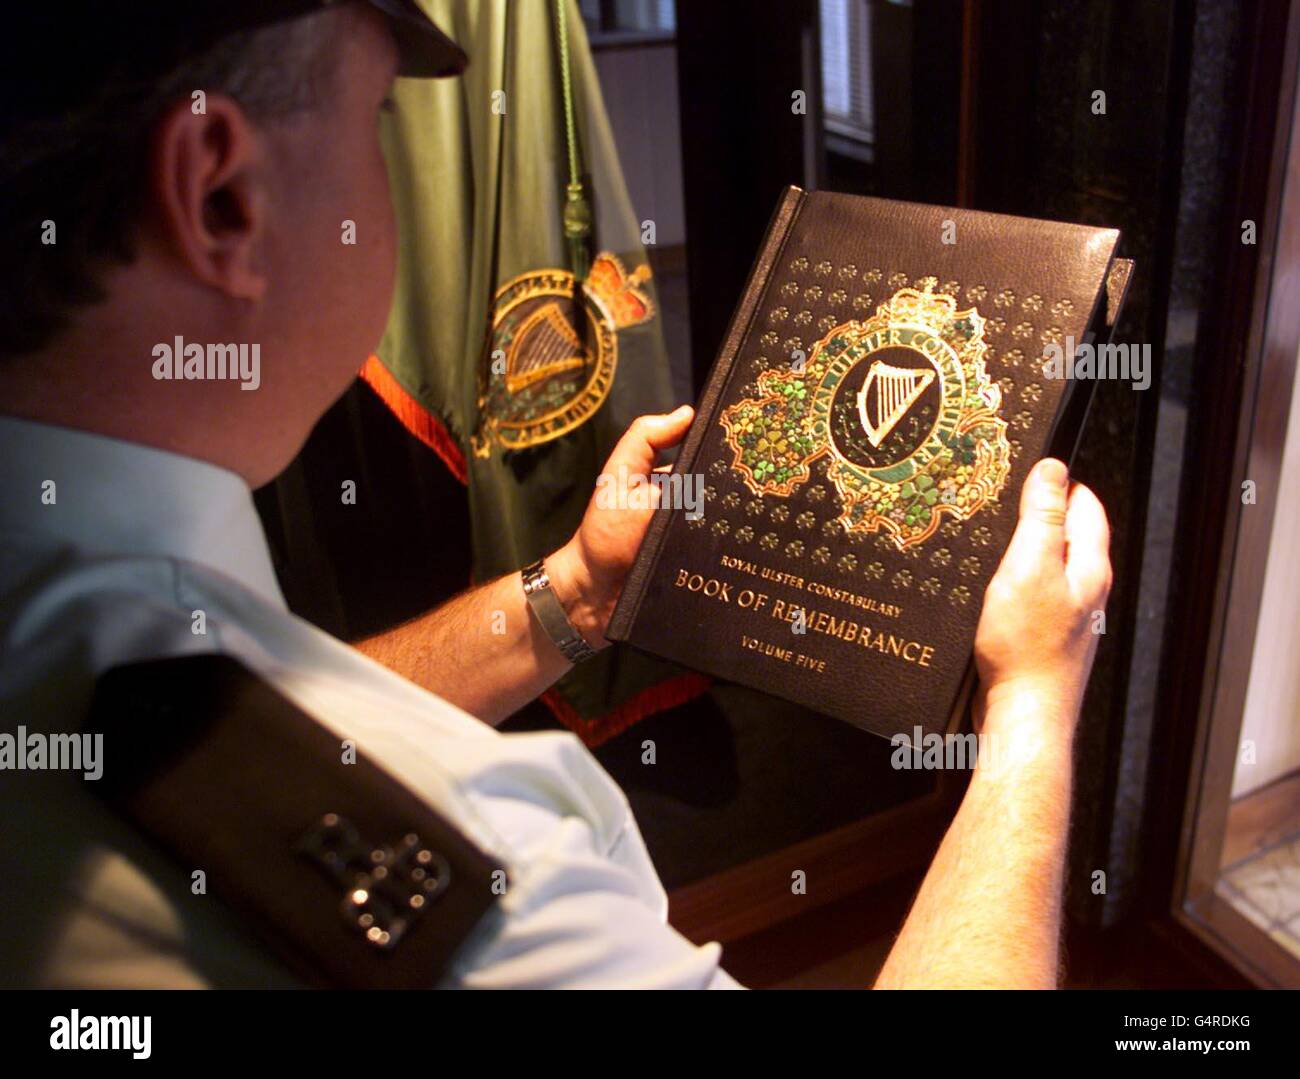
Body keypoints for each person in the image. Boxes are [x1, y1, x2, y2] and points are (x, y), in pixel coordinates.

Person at [0, 1, 1111, 989]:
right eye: (379, 119)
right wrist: (1031, 710)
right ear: (222, 196)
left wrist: (577, 590)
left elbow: (272, 704)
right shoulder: (486, 897)